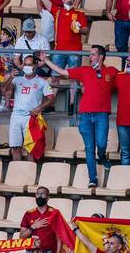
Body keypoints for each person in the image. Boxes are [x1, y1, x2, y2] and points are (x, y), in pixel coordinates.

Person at [49, 47, 116, 185]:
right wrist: (45, 60)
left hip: (102, 115)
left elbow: (128, 76)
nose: (89, 57)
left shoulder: (112, 71)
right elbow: (62, 71)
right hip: (85, 115)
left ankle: (102, 156)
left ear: (101, 56)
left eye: (92, 55)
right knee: (89, 148)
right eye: (90, 55)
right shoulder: (84, 70)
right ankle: (93, 179)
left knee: (102, 143)